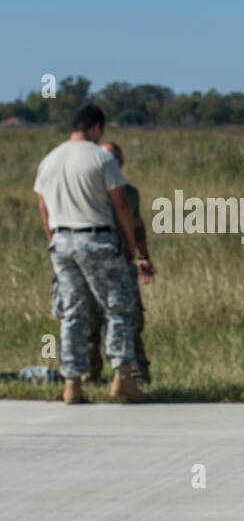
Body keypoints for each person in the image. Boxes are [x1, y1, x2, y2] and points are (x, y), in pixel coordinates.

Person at [35, 104, 147, 404]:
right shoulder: (101, 158)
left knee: (72, 312)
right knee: (118, 308)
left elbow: (43, 206)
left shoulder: (50, 159)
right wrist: (129, 243)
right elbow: (121, 202)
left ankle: (72, 382)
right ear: (96, 128)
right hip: (95, 239)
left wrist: (53, 239)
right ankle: (122, 378)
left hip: (62, 242)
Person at [76, 142, 153, 383]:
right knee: (90, 321)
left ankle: (135, 373)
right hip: (90, 262)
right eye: (109, 160)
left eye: (118, 160)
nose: (114, 165)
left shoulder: (129, 193)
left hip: (122, 263)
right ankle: (90, 373)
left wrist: (143, 256)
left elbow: (137, 224)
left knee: (130, 319)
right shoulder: (86, 193)